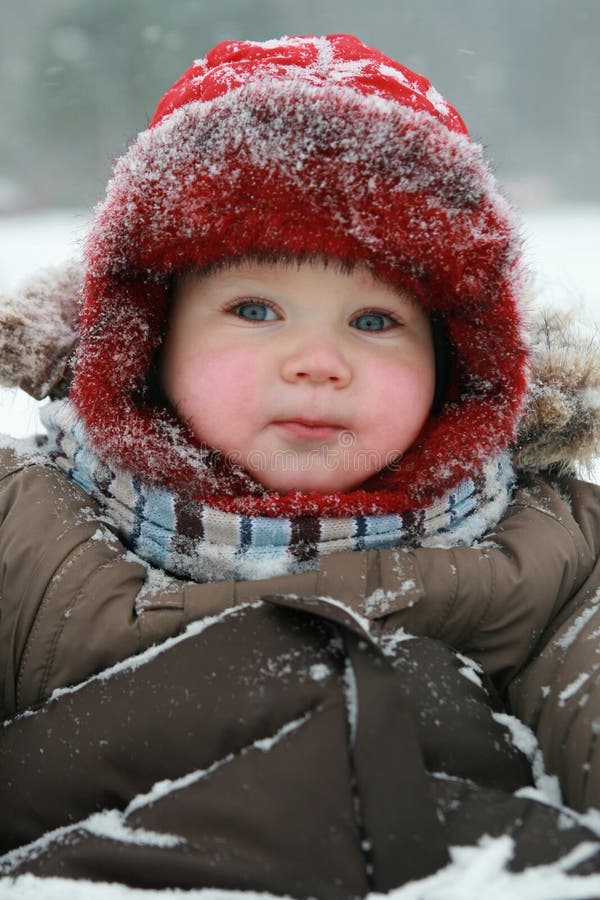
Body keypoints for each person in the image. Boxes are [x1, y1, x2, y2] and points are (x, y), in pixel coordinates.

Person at [1, 33, 600, 895]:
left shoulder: (558, 556)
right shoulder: (22, 536)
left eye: (374, 322)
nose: (318, 362)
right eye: (255, 309)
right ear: (150, 337)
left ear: (457, 362)